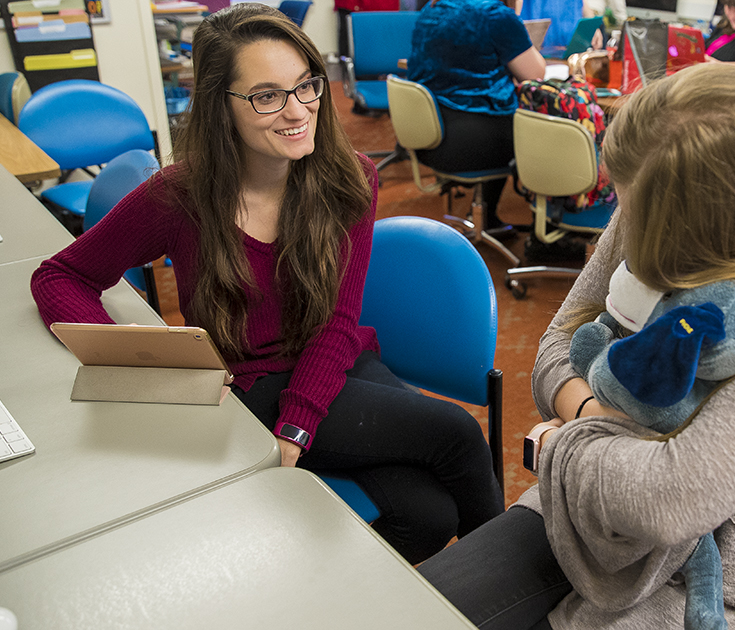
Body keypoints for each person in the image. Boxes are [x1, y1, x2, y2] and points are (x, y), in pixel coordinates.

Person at [418, 62, 735, 629]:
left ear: (718, 220)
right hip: (594, 513)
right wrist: (593, 414)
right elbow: (557, 344)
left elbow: (670, 502)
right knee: (415, 611)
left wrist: (564, 444)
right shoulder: (655, 191)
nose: (625, 224)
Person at [29, 3, 503, 565]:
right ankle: (508, 591)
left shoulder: (350, 178)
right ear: (219, 107)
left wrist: (299, 426)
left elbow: (336, 322)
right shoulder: (180, 194)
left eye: (306, 86)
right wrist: (142, 364)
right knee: (455, 433)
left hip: (330, 359)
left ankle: (333, 599)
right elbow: (61, 276)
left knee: (427, 515)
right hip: (246, 385)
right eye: (266, 96)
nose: (297, 110)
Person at [408, 0, 547, 239]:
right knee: (547, 132)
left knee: (504, 118)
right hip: (472, 143)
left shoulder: (433, 9)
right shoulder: (496, 16)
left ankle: (489, 217)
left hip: (430, 135)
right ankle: (548, 234)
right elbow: (535, 74)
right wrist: (514, 13)